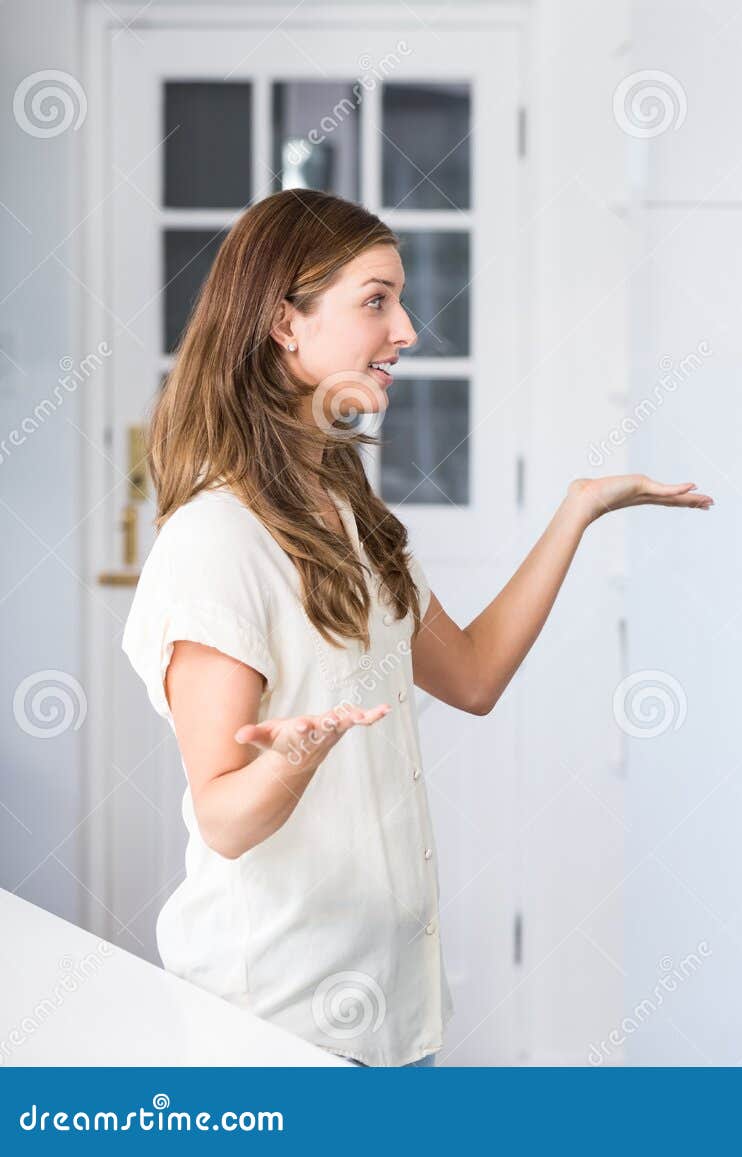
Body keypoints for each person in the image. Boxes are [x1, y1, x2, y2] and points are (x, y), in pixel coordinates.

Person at [121, 188, 711, 1067]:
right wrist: (291, 758)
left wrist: (578, 511)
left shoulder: (345, 513)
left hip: (392, 1014)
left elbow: (471, 676)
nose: (406, 329)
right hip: (275, 1025)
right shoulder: (217, 539)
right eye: (375, 300)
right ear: (286, 323)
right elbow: (226, 819)